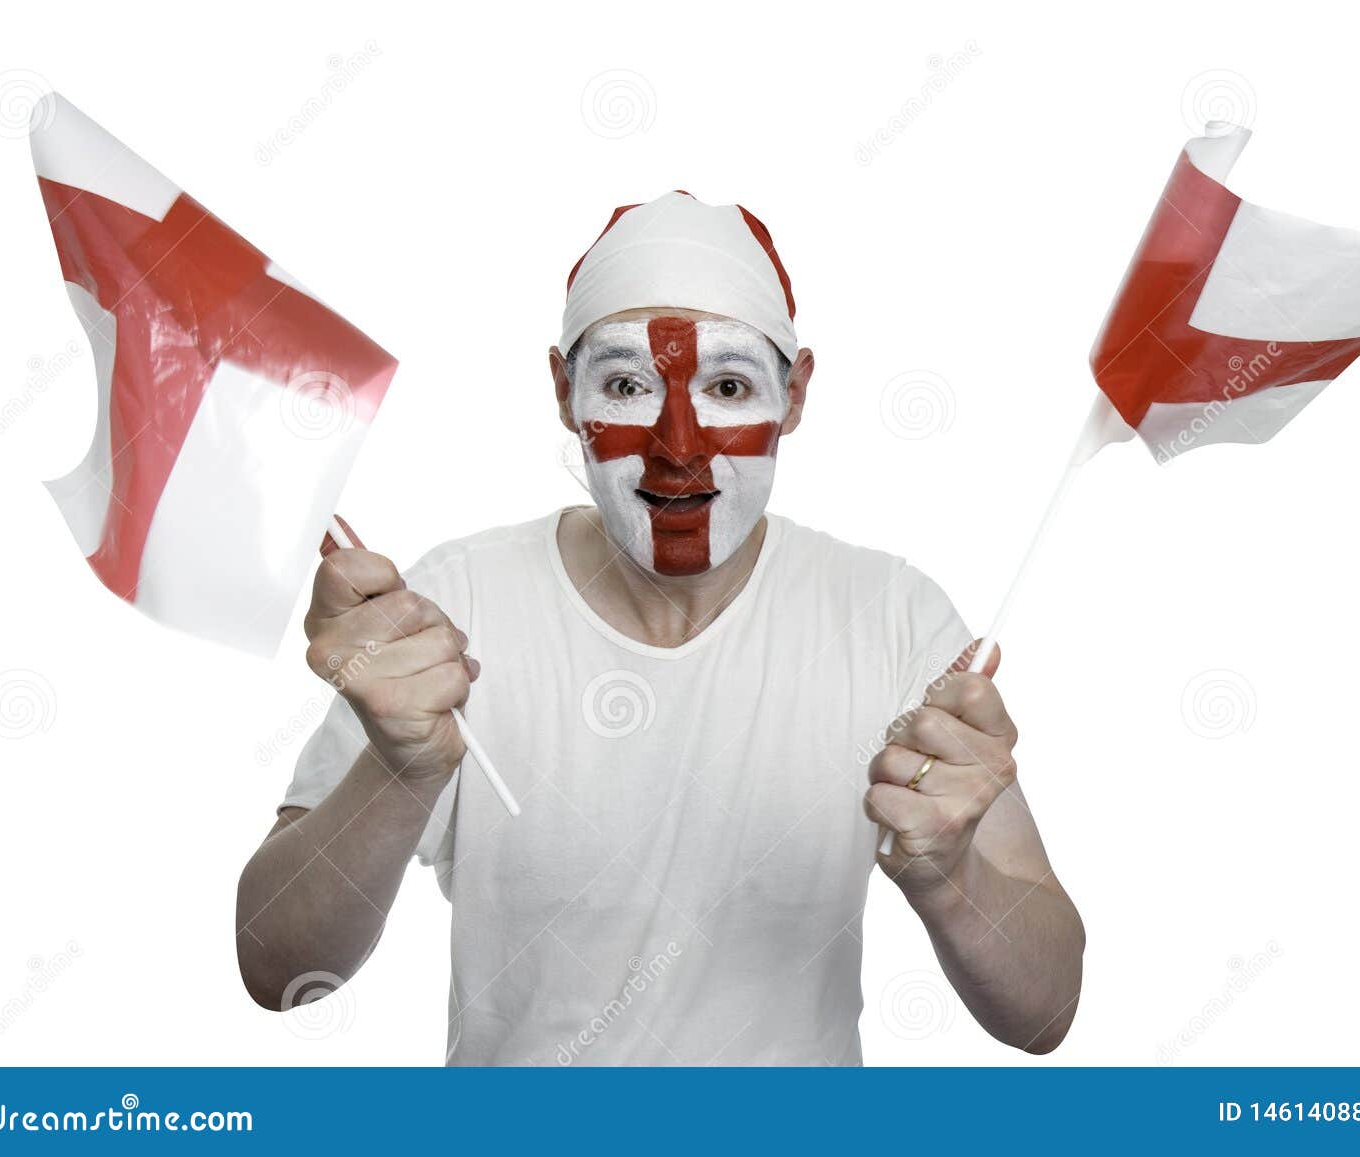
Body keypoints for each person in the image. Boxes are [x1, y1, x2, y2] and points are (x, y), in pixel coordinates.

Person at [235, 192, 1084, 1065]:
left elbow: (1046, 1011)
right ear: (563, 392)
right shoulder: (451, 607)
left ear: (795, 395)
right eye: (627, 386)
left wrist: (950, 877)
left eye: (728, 387)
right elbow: (275, 965)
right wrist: (399, 768)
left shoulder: (889, 617)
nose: (679, 448)